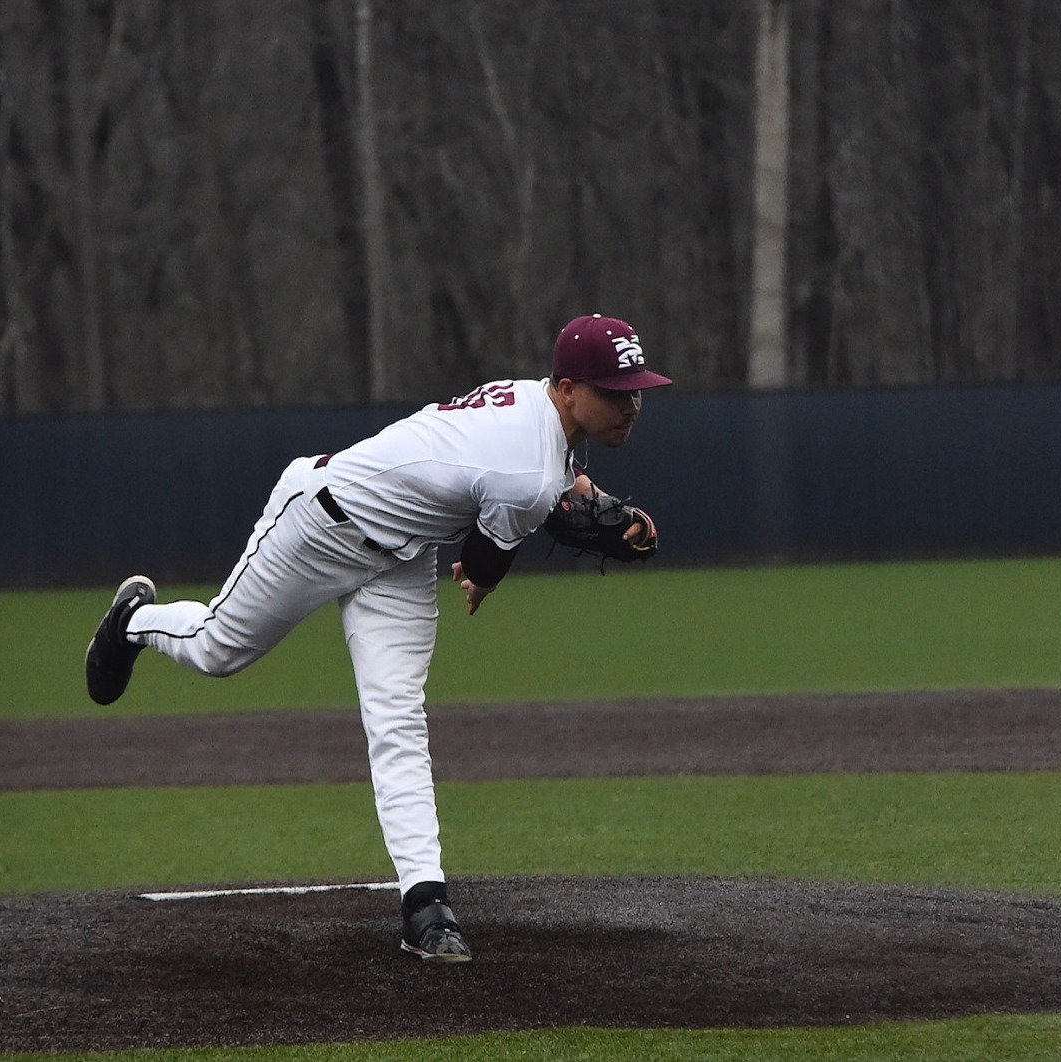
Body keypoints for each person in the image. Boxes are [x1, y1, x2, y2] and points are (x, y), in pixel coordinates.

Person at [84, 313, 671, 962]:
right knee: (218, 650)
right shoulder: (524, 469)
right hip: (318, 521)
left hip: (399, 556)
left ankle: (426, 903)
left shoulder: (534, 411)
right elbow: (486, 558)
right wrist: (481, 578)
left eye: (635, 389)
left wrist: (607, 506)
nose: (630, 403)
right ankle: (133, 622)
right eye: (614, 390)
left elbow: (553, 480)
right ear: (565, 388)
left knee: (397, 719)